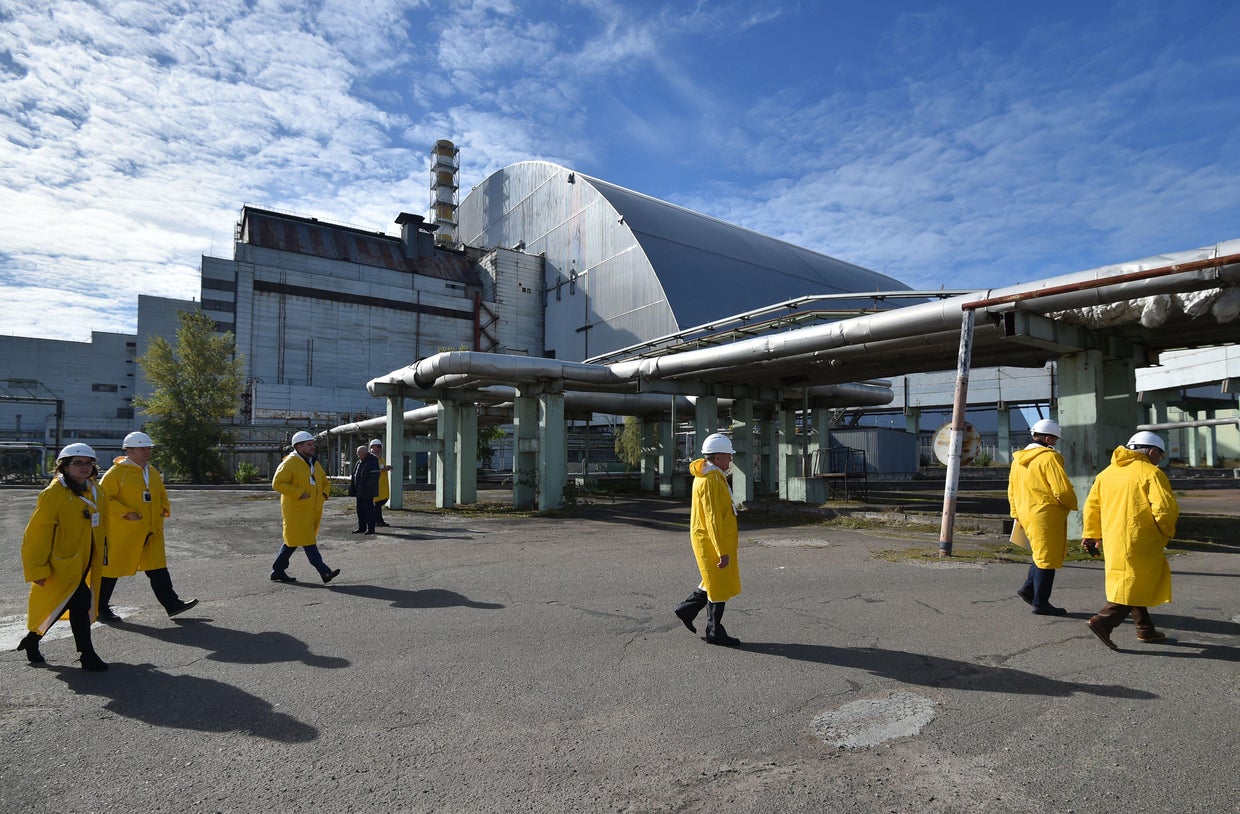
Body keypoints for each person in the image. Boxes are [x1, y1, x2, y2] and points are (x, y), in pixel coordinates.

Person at [1082, 431, 1179, 650]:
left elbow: (1092, 507)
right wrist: (1165, 533)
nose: (1159, 461)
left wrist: (1091, 534)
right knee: (1135, 581)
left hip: (1114, 538)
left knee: (1131, 579)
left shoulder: (1107, 473)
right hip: (1141, 538)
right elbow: (1164, 510)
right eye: (1160, 456)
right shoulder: (1151, 473)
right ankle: (1104, 621)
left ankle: (1145, 629)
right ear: (1152, 452)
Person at [16, 443, 109, 671]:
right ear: (65, 467)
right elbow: (36, 534)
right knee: (80, 602)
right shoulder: (53, 494)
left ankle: (32, 640)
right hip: (61, 564)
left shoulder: (95, 490)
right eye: (78, 463)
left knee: (63, 605)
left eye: (88, 463)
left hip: (85, 560)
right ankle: (87, 655)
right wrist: (37, 569)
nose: (84, 467)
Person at [97, 431, 198, 620]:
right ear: (129, 450)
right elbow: (103, 498)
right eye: (142, 448)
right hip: (124, 531)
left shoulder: (151, 471)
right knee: (111, 570)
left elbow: (161, 493)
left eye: (148, 448)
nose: (147, 452)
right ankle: (100, 609)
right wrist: (126, 512)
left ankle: (172, 604)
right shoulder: (116, 473)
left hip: (152, 529)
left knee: (157, 567)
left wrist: (163, 509)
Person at [674, 433, 742, 646]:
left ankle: (687, 609)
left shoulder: (708, 475)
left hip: (712, 539)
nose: (731, 460)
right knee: (718, 585)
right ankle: (714, 632)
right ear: (719, 456)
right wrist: (721, 550)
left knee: (712, 582)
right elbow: (713, 517)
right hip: (713, 540)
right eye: (729, 456)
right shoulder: (711, 479)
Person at [1008, 418, 1078, 616]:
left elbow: (1011, 490)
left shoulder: (1018, 460)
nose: (1055, 442)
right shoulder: (1049, 458)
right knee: (1047, 558)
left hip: (1026, 512)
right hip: (1046, 514)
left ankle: (1029, 589)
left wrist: (1016, 513)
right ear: (1048, 438)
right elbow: (1062, 490)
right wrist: (1072, 505)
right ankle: (1041, 602)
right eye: (1054, 439)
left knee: (1040, 554)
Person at [270, 431, 340, 584]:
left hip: (311, 510)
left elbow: (323, 480)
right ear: (299, 446)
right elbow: (277, 483)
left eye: (312, 443)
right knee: (308, 541)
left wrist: (324, 493)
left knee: (292, 542)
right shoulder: (290, 463)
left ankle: (277, 570)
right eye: (309, 444)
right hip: (296, 511)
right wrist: (299, 493)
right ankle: (325, 571)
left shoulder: (313, 462)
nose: (312, 446)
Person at [348, 444, 380, 534]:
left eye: (358, 453)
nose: (357, 455)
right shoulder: (359, 462)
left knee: (369, 510)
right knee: (360, 510)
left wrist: (366, 486)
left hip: (367, 491)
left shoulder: (372, 460)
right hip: (359, 491)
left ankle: (371, 528)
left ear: (364, 453)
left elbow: (375, 475)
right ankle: (361, 527)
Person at [368, 439, 393, 527]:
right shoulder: (372, 456)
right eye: (378, 446)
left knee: (382, 500)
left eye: (380, 446)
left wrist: (385, 467)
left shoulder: (378, 456)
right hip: (377, 482)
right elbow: (377, 468)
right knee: (378, 502)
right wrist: (385, 468)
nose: (380, 448)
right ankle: (377, 521)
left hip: (382, 482)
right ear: (372, 447)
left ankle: (377, 520)